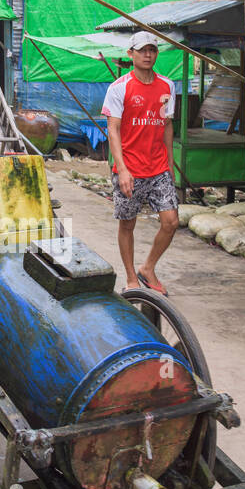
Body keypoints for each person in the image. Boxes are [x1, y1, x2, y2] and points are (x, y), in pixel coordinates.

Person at [102, 31, 179, 295]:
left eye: (153, 50)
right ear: (131, 54)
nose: (148, 55)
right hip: (129, 169)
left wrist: (170, 163)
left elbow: (167, 125)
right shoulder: (119, 88)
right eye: (142, 50)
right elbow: (113, 129)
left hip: (158, 168)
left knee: (170, 222)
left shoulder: (167, 86)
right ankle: (132, 276)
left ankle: (148, 268)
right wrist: (121, 169)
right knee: (128, 223)